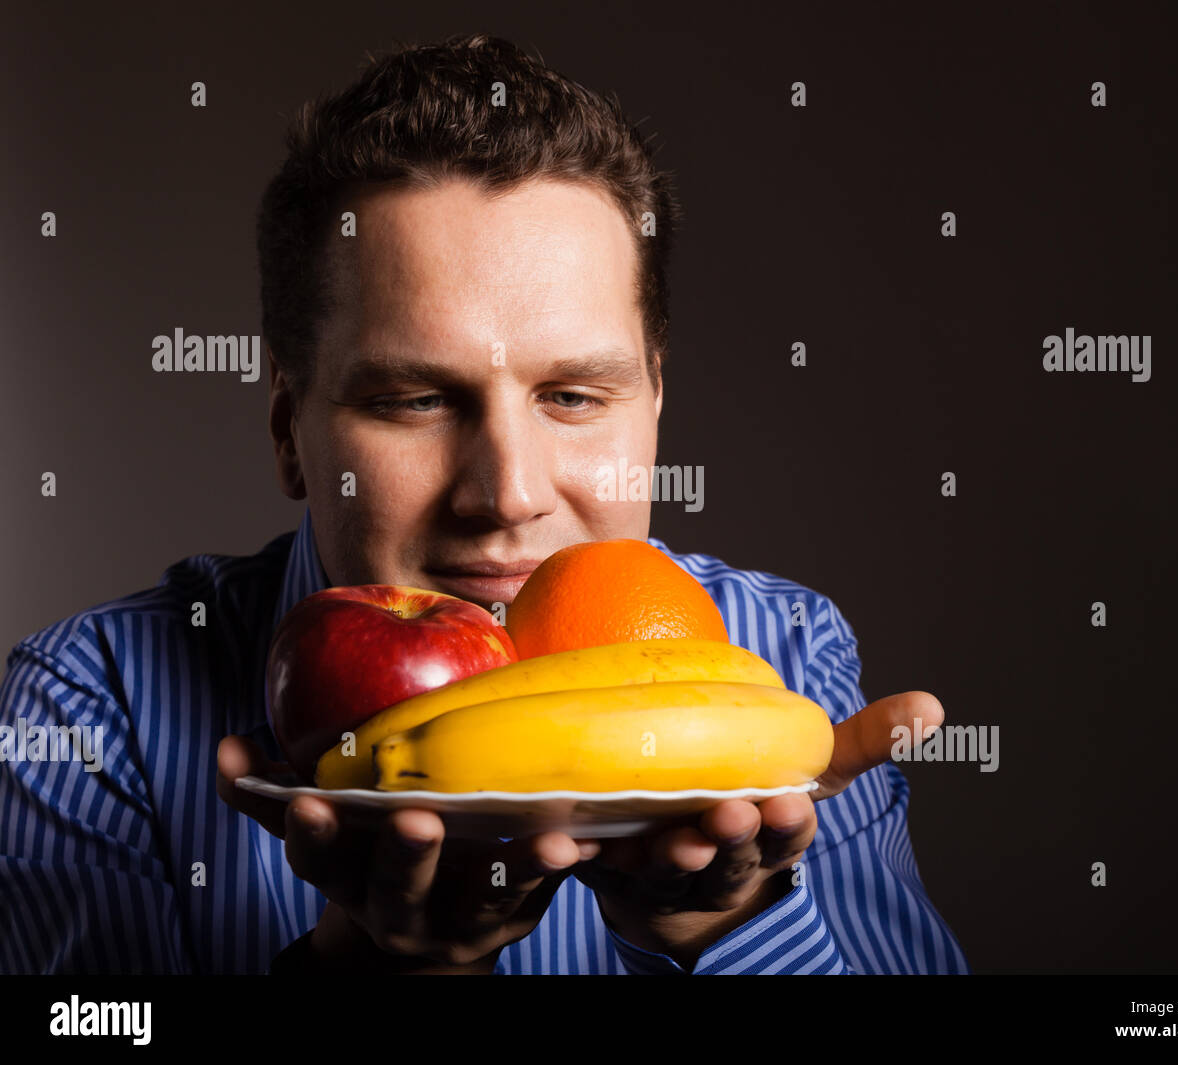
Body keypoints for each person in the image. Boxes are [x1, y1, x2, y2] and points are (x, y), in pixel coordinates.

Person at [0, 34, 967, 975]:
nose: (507, 494)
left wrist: (725, 934)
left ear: (656, 405)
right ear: (290, 428)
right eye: (416, 400)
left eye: (575, 397)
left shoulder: (783, 656)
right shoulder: (95, 707)